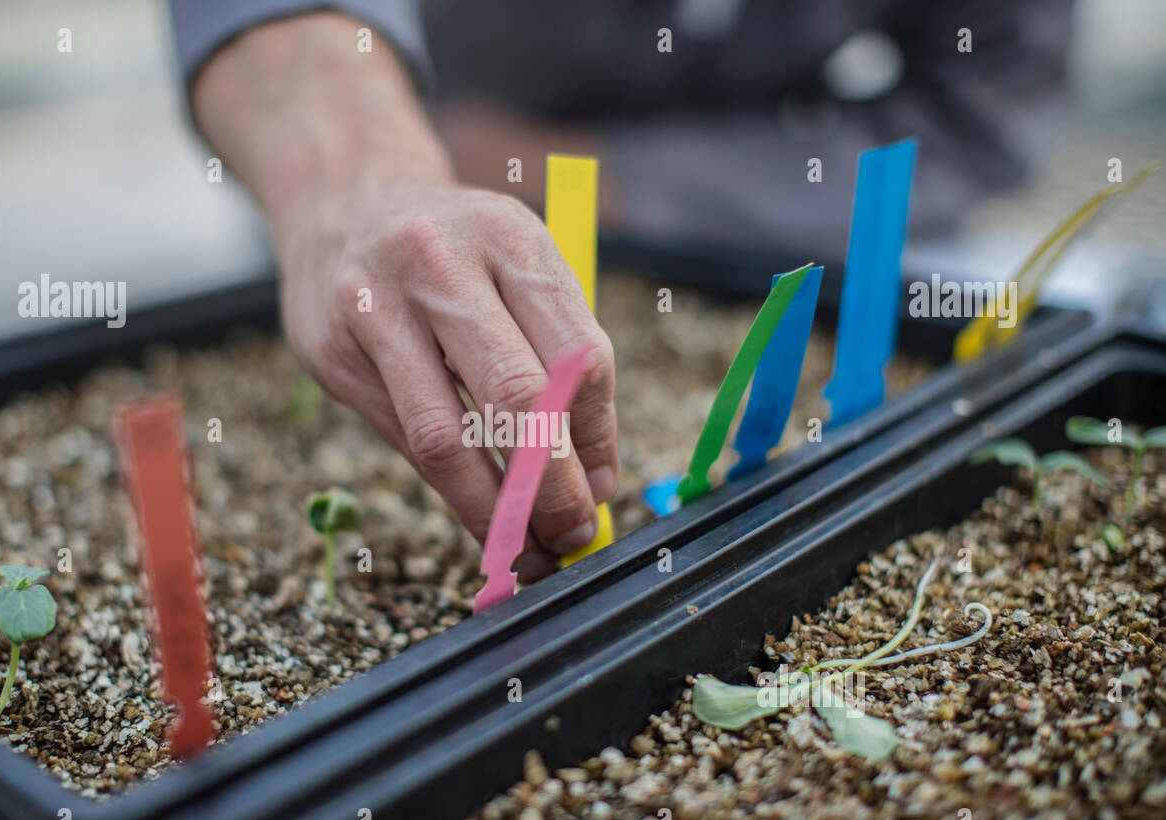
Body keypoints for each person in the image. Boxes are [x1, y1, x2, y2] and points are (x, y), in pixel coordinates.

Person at [168, 0, 1070, 581]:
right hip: (400, 178)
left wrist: (614, 177)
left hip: (767, 214)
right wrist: (361, 178)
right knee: (389, 318)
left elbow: (981, 104)